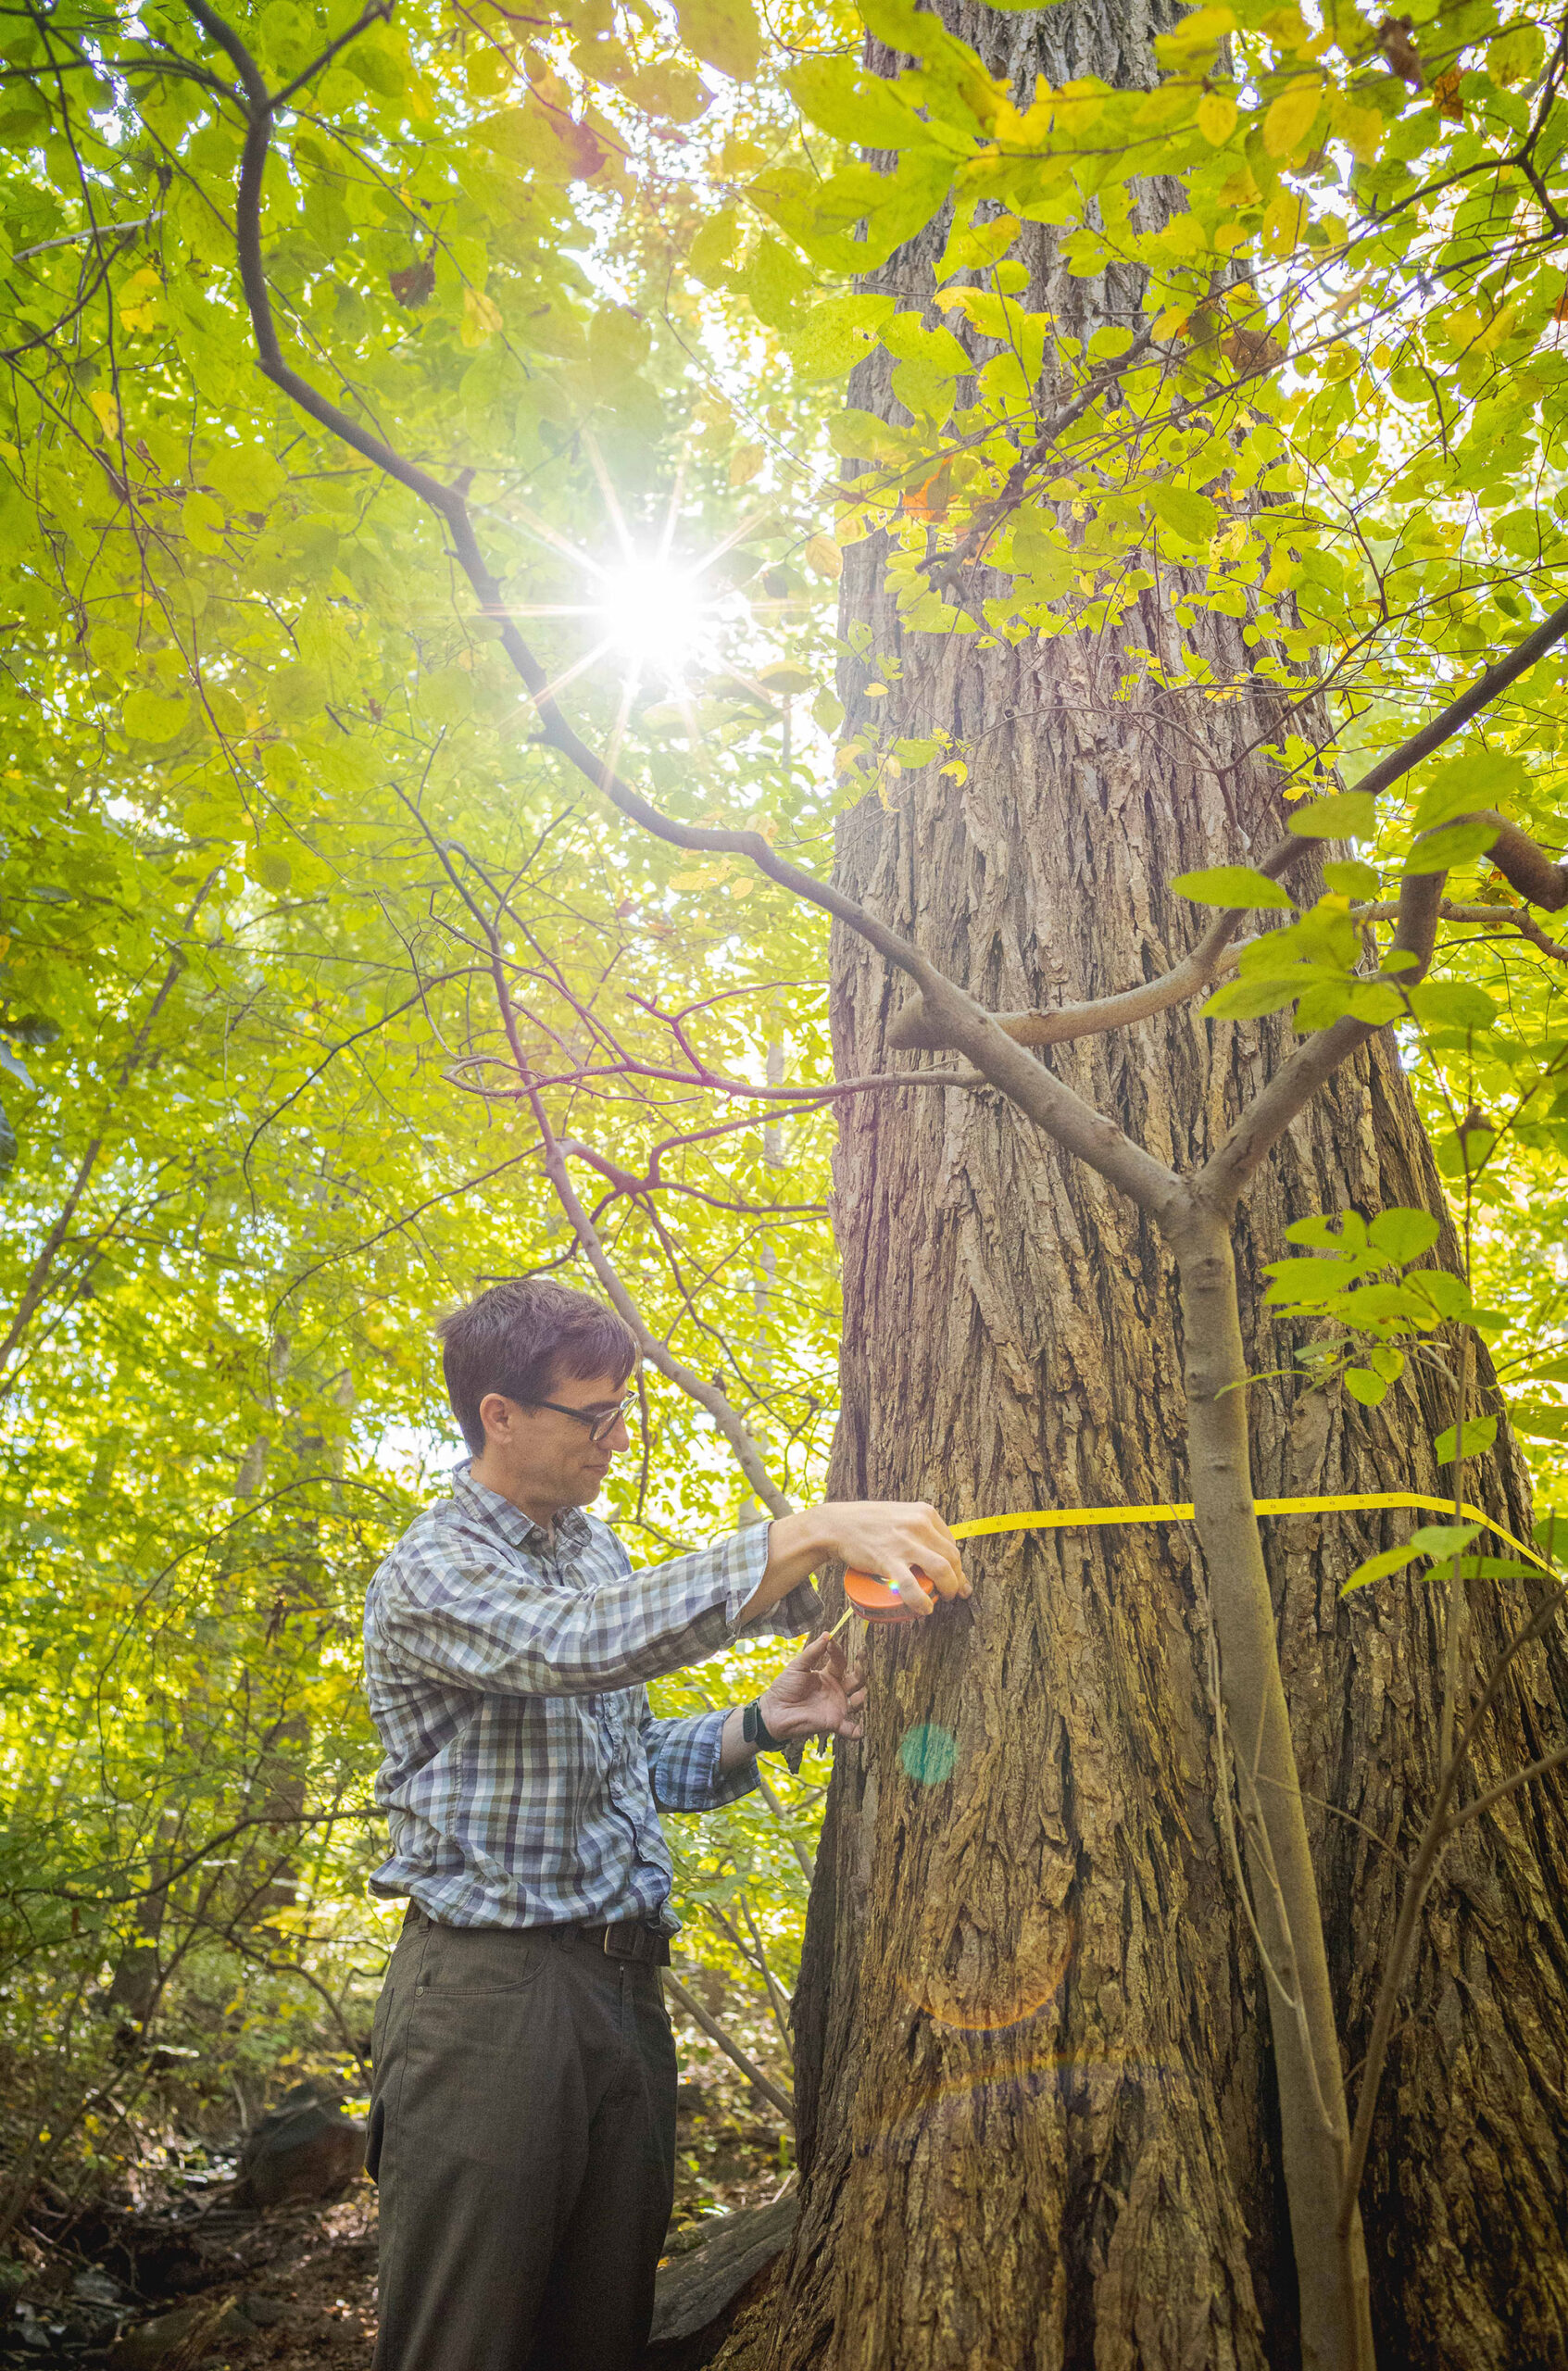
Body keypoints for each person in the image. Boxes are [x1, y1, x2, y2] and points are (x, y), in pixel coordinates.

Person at [362, 1277, 967, 2371]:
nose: (616, 1435)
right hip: (489, 2004)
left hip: (622, 1998)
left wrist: (763, 1722)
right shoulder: (436, 1565)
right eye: (593, 1414)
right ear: (500, 1415)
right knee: (467, 2341)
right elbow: (579, 1644)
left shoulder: (590, 1549)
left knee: (600, 2334)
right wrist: (810, 1532)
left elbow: (623, 1761)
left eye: (620, 1407)